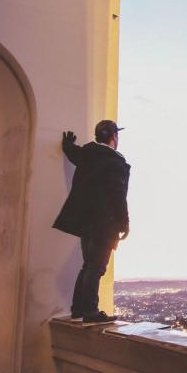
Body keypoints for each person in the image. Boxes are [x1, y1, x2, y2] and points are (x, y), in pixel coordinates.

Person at [53, 119, 130, 323]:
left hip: (84, 222)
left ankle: (78, 310)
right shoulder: (115, 162)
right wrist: (124, 223)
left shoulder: (88, 154)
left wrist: (68, 146)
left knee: (88, 265)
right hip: (105, 223)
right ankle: (90, 311)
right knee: (96, 267)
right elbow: (118, 195)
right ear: (114, 137)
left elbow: (74, 154)